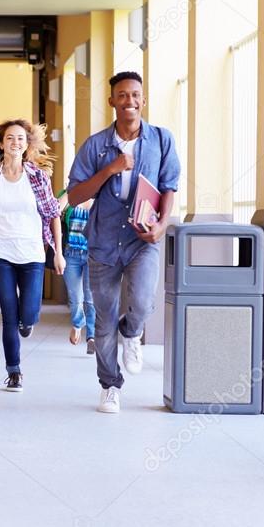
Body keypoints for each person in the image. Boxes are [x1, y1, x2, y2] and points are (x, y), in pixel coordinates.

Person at [66, 71, 180, 414]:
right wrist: (110, 170)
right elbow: (74, 196)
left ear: (143, 100)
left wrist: (162, 224)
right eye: (122, 95)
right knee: (103, 320)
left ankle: (131, 332)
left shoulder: (161, 139)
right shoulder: (96, 145)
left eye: (135, 95)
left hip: (142, 240)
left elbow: (169, 183)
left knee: (143, 303)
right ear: (112, 101)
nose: (129, 101)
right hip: (102, 242)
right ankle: (110, 385)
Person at [0, 120, 63, 392]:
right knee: (9, 314)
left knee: (28, 314)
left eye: (21, 138)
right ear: (2, 143)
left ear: (27, 144)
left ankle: (27, 322)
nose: (16, 143)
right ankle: (14, 371)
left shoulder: (38, 178)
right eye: (10, 138)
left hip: (32, 253)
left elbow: (53, 214)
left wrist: (58, 253)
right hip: (1, 254)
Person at [57, 191, 96, 354]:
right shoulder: (70, 194)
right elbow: (54, 211)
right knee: (75, 298)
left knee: (90, 298)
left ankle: (92, 337)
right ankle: (78, 324)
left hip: (92, 255)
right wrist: (68, 192)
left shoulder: (100, 196)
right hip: (70, 254)